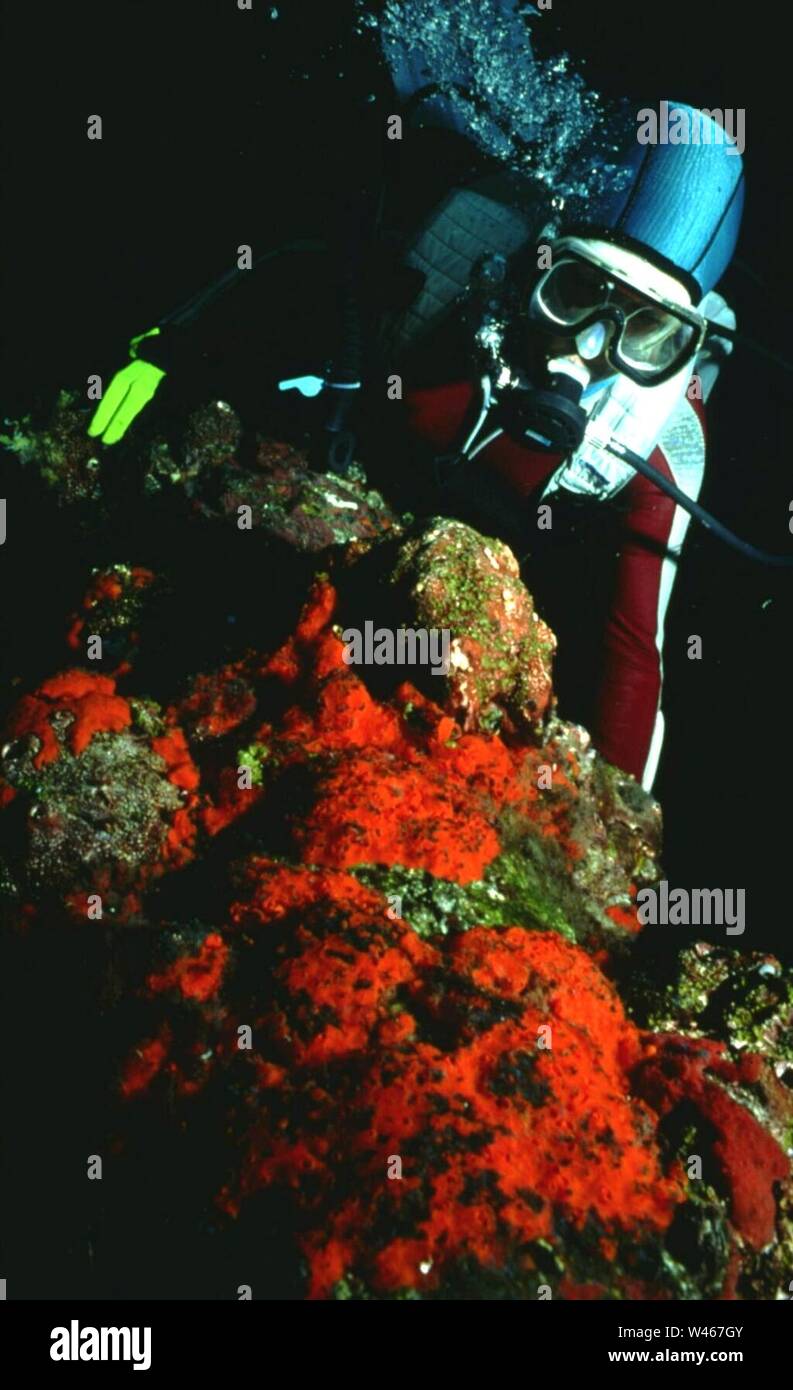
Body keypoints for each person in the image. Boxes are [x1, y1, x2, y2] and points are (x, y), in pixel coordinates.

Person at [87, 81, 744, 792]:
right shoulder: (451, 272)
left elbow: (633, 653)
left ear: (680, 345)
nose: (589, 346)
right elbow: (306, 272)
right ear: (540, 263)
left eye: (645, 329)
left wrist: (622, 845)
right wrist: (173, 344)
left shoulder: (663, 441)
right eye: (578, 293)